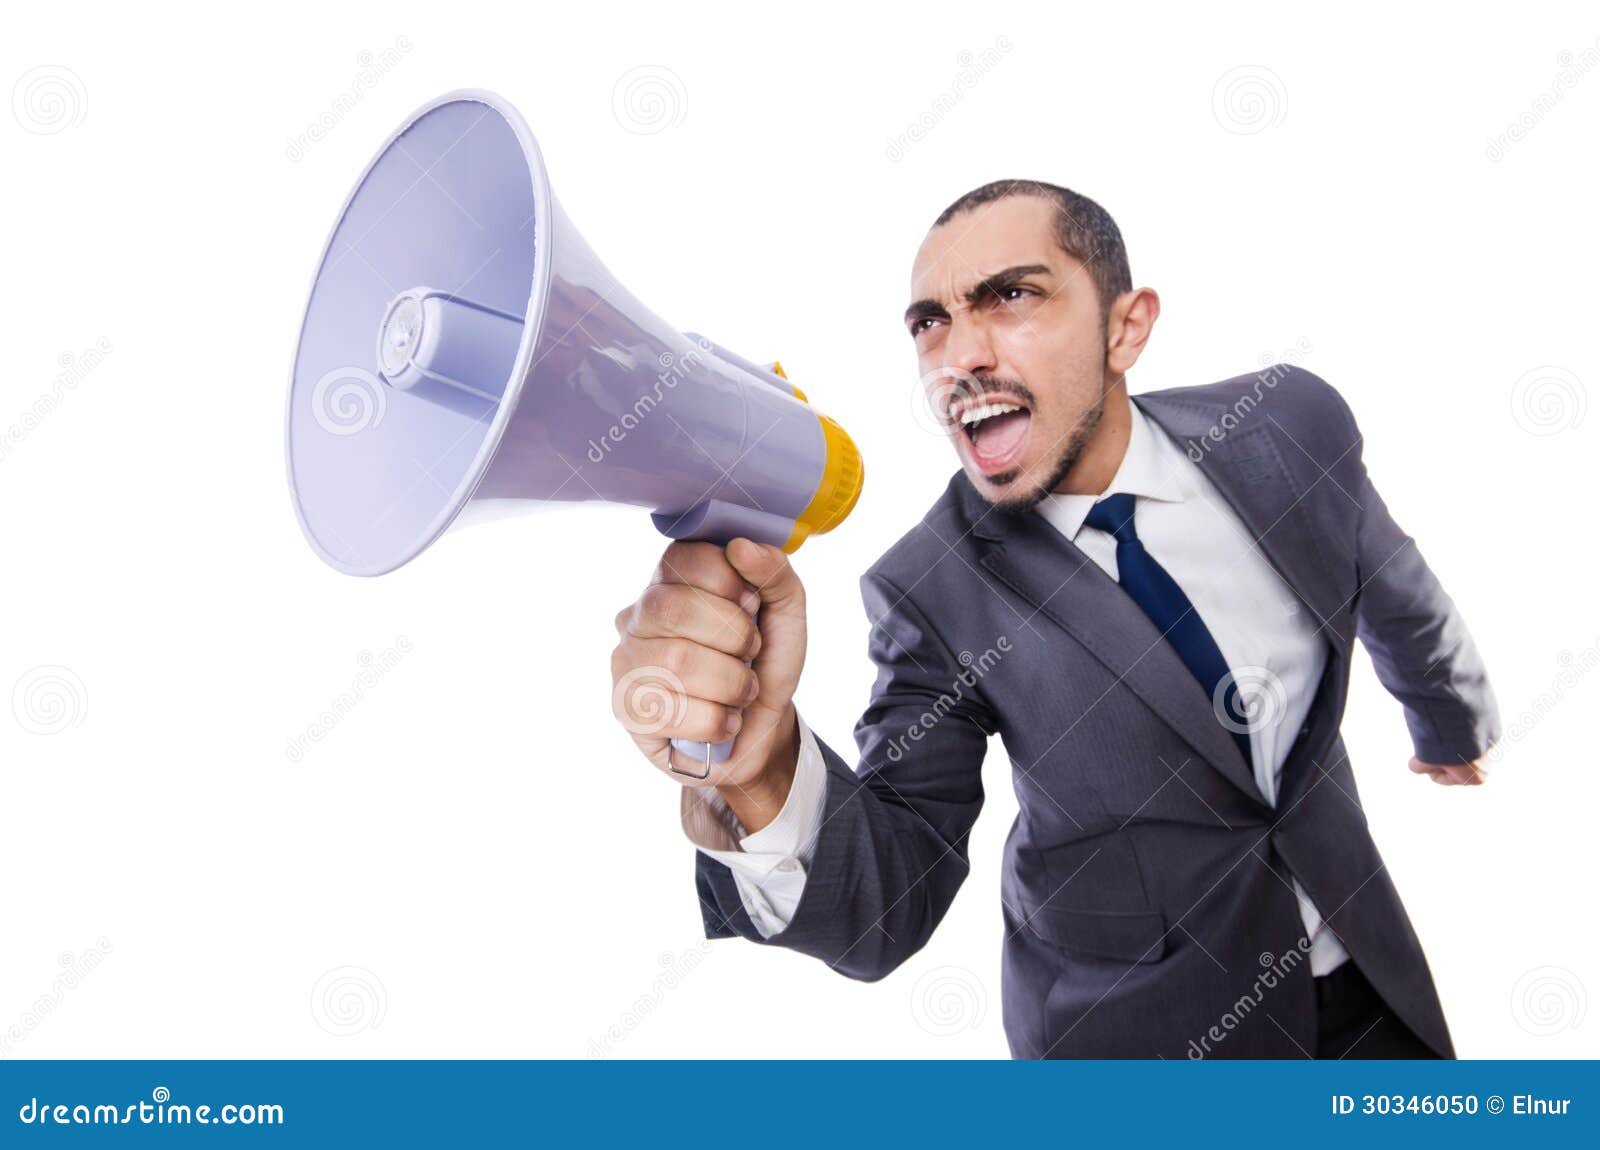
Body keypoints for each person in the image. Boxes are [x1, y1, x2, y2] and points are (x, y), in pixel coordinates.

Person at [609, 180, 1500, 1058]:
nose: (959, 355)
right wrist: (762, 769)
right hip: (1140, 1042)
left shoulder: (1283, 423)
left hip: (1373, 986)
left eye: (1012, 296)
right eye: (931, 322)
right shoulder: (934, 587)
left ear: (1126, 325)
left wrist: (1447, 716)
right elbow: (886, 904)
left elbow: (1382, 574)